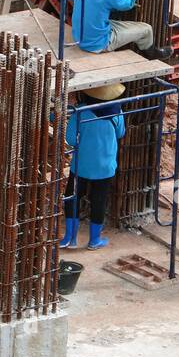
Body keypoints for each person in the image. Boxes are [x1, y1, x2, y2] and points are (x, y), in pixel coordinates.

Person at [62, 85, 127, 250]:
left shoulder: (80, 112)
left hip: (81, 166)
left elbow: (70, 139)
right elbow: (121, 133)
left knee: (73, 199)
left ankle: (70, 238)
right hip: (105, 168)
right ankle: (94, 240)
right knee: (99, 202)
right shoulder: (117, 112)